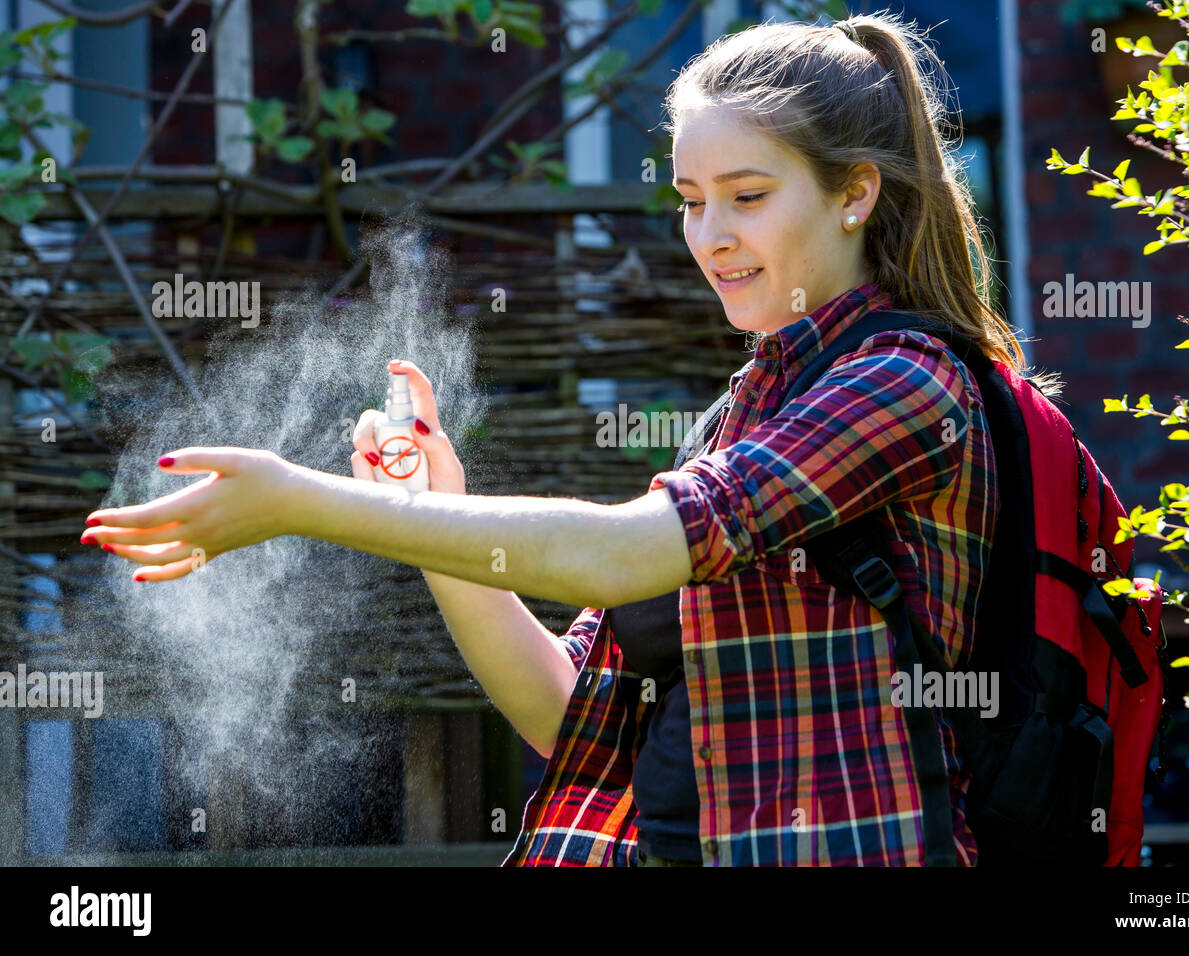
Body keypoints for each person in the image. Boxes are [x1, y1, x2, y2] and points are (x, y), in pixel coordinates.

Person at [82, 11, 1060, 866]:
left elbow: (623, 550)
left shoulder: (902, 385)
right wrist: (437, 515)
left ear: (853, 194)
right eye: (688, 198)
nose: (709, 234)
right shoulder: (745, 412)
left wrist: (305, 500)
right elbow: (566, 705)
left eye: (748, 195)